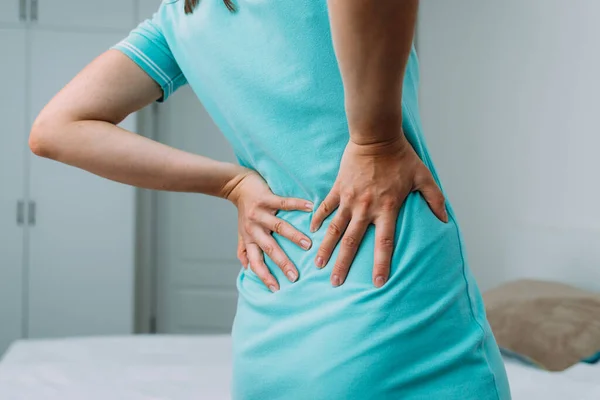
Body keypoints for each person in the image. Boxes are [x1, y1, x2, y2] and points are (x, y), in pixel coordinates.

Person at [29, 0, 511, 398]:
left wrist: (231, 184)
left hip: (270, 317)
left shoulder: (180, 18)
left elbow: (55, 129)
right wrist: (375, 141)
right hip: (389, 292)